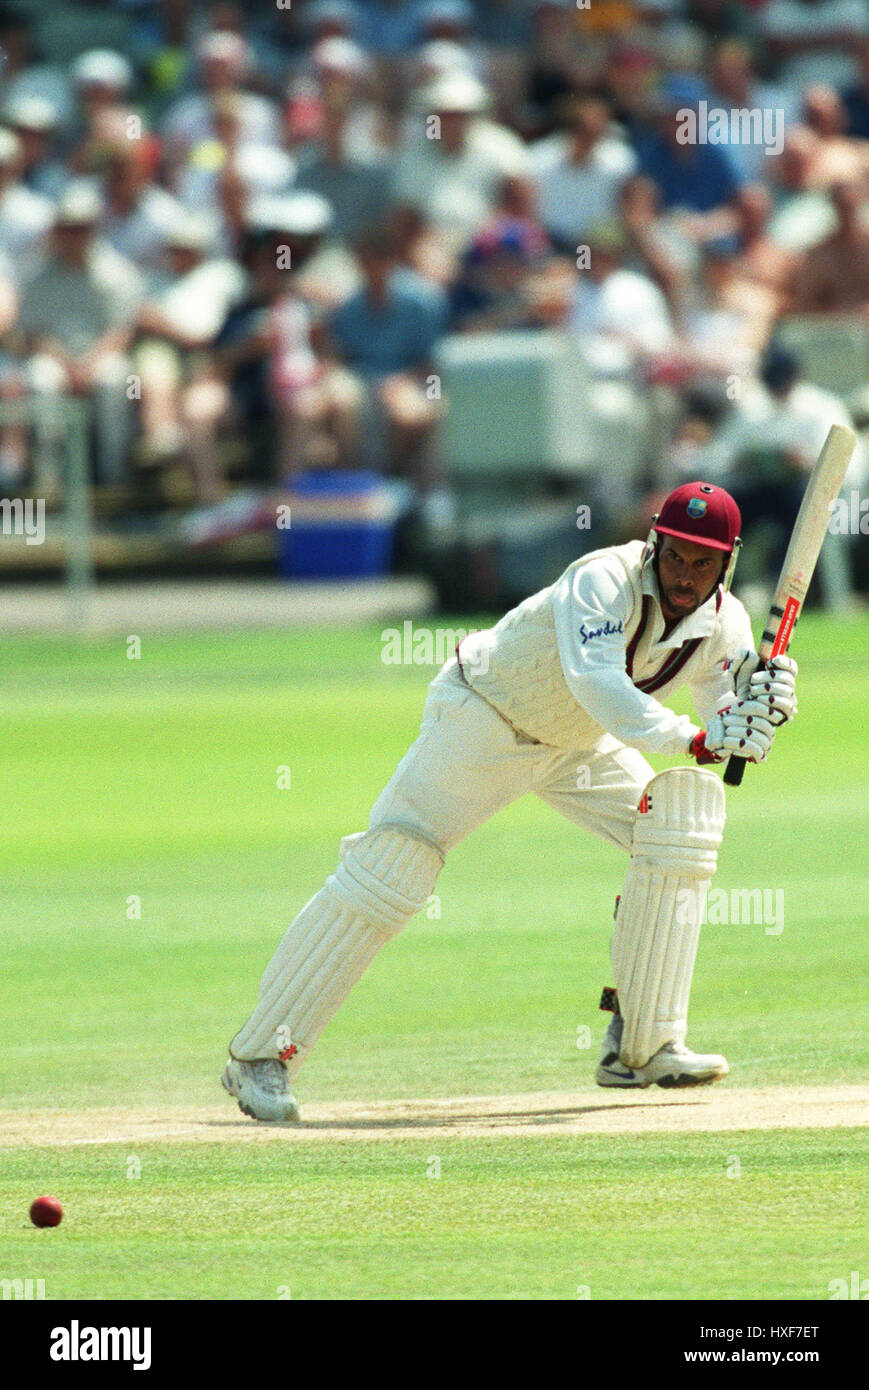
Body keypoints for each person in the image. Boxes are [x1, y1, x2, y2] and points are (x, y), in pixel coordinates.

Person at [222, 481, 799, 1121]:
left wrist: (757, 714)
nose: (685, 575)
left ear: (728, 563)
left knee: (680, 822)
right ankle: (260, 1057)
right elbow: (597, 681)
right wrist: (694, 739)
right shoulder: (601, 578)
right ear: (655, 545)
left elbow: (727, 729)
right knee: (393, 867)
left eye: (703, 563)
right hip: (486, 718)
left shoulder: (728, 623)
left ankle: (643, 1043)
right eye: (675, 557)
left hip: (577, 746)